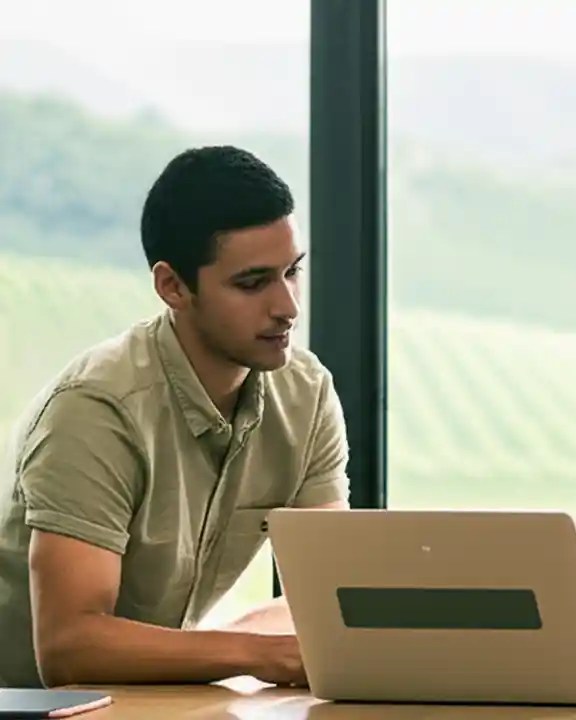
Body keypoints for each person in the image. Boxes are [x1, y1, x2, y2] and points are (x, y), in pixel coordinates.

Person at [0, 146, 350, 688]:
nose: (288, 307)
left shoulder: (306, 394)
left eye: (293, 272)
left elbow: (328, 601)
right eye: (253, 282)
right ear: (172, 287)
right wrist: (255, 654)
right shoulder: (96, 410)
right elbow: (69, 648)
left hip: (147, 703)